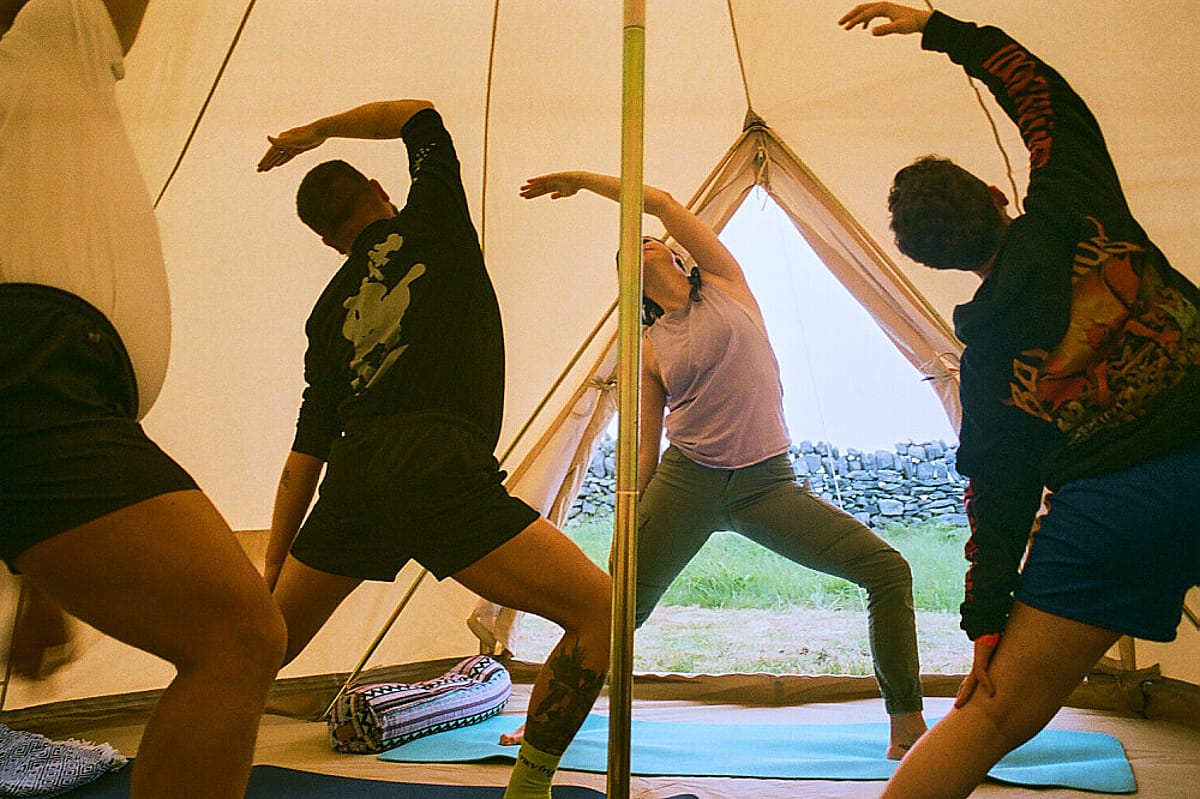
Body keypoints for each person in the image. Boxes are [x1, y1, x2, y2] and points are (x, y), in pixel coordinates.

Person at [839, 4, 1200, 797]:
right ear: (1000, 191)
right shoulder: (1075, 199)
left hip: (1115, 512)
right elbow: (1040, 94)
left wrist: (988, 627)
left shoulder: (991, 364)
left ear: (938, 263)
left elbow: (997, 498)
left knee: (994, 718)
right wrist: (939, 28)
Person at [256, 99, 611, 799]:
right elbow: (419, 112)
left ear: (331, 243)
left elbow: (306, 454)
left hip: (355, 476)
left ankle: (196, 777)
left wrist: (274, 565)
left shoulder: (327, 313)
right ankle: (531, 786)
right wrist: (319, 130)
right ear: (382, 195)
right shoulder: (435, 217)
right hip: (440, 466)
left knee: (249, 653)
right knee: (598, 608)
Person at [520, 170, 928, 758]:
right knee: (610, 608)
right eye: (630, 250)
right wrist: (628, 517)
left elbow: (660, 200)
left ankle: (906, 726)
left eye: (652, 240)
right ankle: (548, 728)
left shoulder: (727, 283)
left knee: (887, 571)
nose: (645, 243)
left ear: (681, 258)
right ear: (628, 282)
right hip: (686, 482)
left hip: (768, 484)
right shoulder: (648, 345)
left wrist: (582, 182)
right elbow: (646, 440)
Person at [0, 1, 289, 797]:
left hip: (59, 390)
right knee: (235, 633)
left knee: (235, 635)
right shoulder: (45, 31)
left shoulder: (61, 35)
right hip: (39, 365)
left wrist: (40, 580)